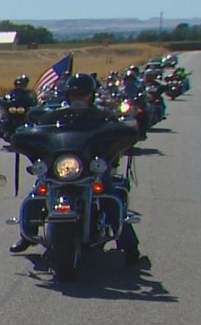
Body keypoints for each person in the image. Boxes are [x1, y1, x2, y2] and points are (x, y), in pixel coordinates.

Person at [8, 72, 143, 265]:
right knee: (37, 194)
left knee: (110, 199)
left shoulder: (102, 116)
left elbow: (118, 127)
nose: (79, 98)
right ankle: (27, 234)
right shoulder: (55, 117)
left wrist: (124, 130)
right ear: (68, 95)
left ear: (92, 95)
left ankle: (130, 245)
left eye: (84, 94)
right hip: (62, 168)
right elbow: (38, 126)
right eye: (75, 94)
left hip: (90, 168)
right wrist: (25, 133)